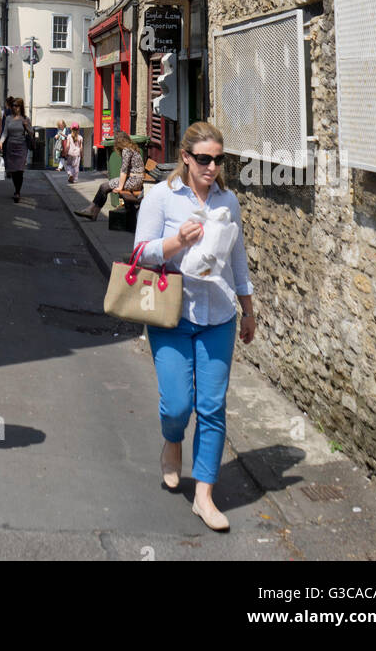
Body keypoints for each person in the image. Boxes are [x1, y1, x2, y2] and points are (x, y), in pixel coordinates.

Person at [133, 121, 255, 532]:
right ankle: (172, 440)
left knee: (212, 407)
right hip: (172, 313)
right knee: (177, 405)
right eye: (203, 159)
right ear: (185, 157)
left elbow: (238, 259)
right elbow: (141, 253)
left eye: (219, 160)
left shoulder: (229, 202)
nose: (211, 167)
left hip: (219, 316)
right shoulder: (162, 199)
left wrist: (249, 308)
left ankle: (204, 494)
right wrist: (176, 243)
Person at [75, 131, 156, 220]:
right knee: (104, 187)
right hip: (136, 180)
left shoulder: (126, 150)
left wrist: (120, 187)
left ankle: (91, 210)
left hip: (134, 181)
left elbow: (124, 170)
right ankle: (92, 212)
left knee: (104, 187)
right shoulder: (132, 148)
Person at [0, 96, 33, 203]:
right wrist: (1, 141)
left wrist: (27, 127)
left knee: (20, 170)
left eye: (17, 106)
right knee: (13, 170)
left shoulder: (26, 119)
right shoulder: (8, 118)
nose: (15, 108)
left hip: (22, 146)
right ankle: (16, 189)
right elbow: (5, 132)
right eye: (13, 106)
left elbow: (31, 133)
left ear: (21, 107)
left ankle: (17, 192)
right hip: (11, 145)